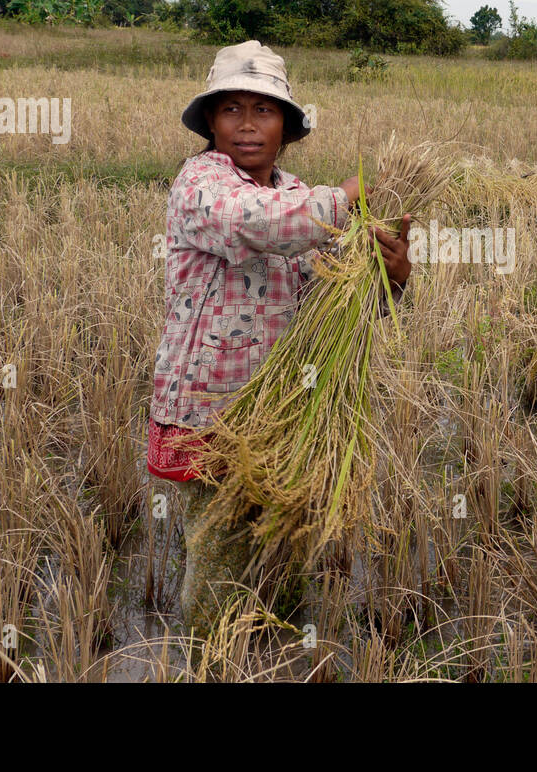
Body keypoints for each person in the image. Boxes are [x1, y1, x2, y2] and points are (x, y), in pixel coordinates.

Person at [147, 40, 411, 633]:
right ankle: (210, 665)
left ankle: (277, 653)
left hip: (285, 411)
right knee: (219, 565)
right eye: (231, 109)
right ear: (211, 123)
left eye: (263, 111)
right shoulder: (201, 185)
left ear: (287, 127)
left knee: (284, 554)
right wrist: (347, 200)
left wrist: (390, 278)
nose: (246, 125)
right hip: (210, 413)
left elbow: (329, 307)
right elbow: (257, 224)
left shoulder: (299, 196)